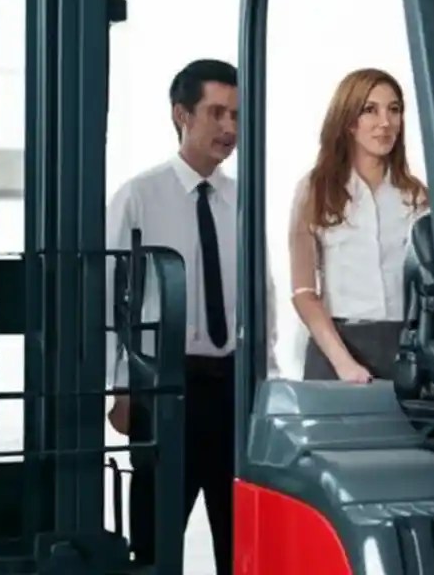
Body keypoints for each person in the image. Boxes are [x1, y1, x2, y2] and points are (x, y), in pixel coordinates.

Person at [105, 59, 278, 574]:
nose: (229, 128)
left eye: (236, 116)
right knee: (157, 541)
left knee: (241, 539)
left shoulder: (241, 197)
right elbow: (108, 301)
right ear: (182, 114)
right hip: (164, 389)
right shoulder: (139, 196)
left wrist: (262, 381)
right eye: (216, 113)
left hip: (231, 389)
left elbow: (260, 294)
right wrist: (120, 388)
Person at [288, 68, 428, 382]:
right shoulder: (315, 190)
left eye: (394, 110)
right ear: (348, 121)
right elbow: (304, 292)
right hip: (337, 346)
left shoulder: (418, 196)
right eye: (370, 110)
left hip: (404, 347)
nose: (385, 122)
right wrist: (344, 364)